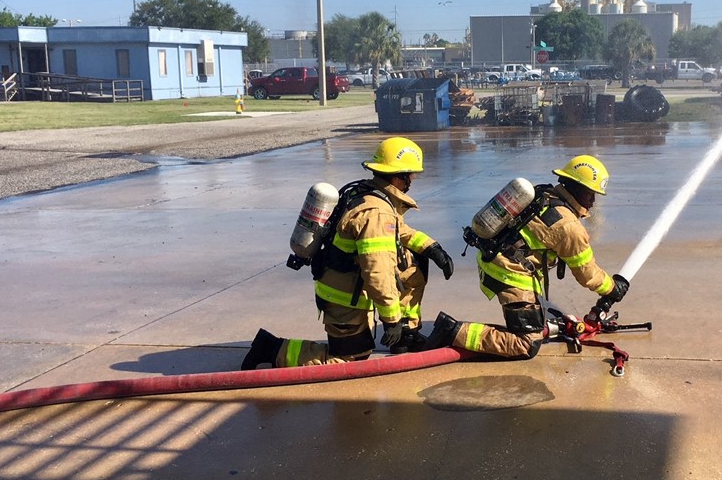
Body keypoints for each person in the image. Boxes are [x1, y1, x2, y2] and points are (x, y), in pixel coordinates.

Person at [241, 137, 455, 369]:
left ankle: (406, 336)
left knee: (413, 262)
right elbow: (378, 273)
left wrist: (431, 248)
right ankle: (272, 349)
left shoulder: (368, 193)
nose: (412, 181)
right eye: (410, 175)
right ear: (398, 176)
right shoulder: (377, 213)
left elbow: (398, 230)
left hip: (343, 284)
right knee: (348, 360)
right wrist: (391, 320)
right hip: (343, 299)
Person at [423, 154, 629, 359]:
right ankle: (452, 331)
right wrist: (612, 288)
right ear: (575, 187)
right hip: (510, 274)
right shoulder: (569, 227)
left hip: (494, 259)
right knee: (526, 343)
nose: (593, 201)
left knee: (532, 326)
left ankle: (460, 331)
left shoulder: (544, 194)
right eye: (590, 194)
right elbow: (587, 273)